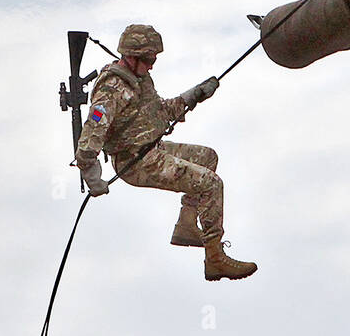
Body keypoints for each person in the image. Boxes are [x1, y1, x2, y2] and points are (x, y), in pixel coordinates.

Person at [75, 24, 258, 282]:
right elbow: (92, 132)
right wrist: (93, 177)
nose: (152, 65)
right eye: (148, 59)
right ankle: (215, 258)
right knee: (210, 184)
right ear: (130, 56)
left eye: (154, 59)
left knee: (208, 157)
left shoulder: (139, 79)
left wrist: (192, 96)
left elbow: (159, 113)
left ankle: (185, 226)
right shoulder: (111, 88)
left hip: (151, 148)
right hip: (136, 162)